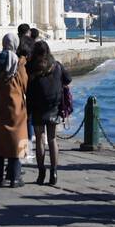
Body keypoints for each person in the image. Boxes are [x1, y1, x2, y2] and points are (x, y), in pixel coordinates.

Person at [0, 34, 30, 187]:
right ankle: (15, 177)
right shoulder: (19, 64)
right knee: (18, 139)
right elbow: (25, 85)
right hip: (15, 106)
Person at [25, 40, 71, 186]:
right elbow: (68, 79)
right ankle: (54, 172)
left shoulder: (30, 68)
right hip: (54, 107)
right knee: (52, 139)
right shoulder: (56, 65)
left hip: (37, 107)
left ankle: (41, 173)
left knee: (39, 139)